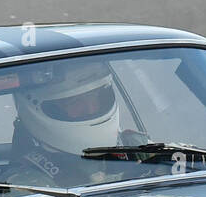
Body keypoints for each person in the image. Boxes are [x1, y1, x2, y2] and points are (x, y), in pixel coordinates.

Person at [8, 60, 138, 187]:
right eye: (74, 102)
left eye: (95, 96)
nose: (91, 108)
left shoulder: (135, 145)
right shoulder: (27, 181)